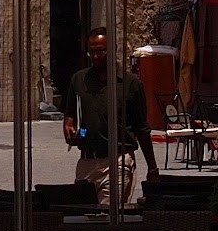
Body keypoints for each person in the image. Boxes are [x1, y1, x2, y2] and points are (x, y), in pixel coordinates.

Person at [62, 27, 159, 208]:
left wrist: (152, 167)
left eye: (101, 51)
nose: (96, 57)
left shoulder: (131, 84)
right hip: (87, 162)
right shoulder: (79, 80)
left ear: (113, 49)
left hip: (117, 161)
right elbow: (70, 114)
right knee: (83, 214)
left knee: (108, 215)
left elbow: (141, 128)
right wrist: (70, 127)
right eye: (92, 52)